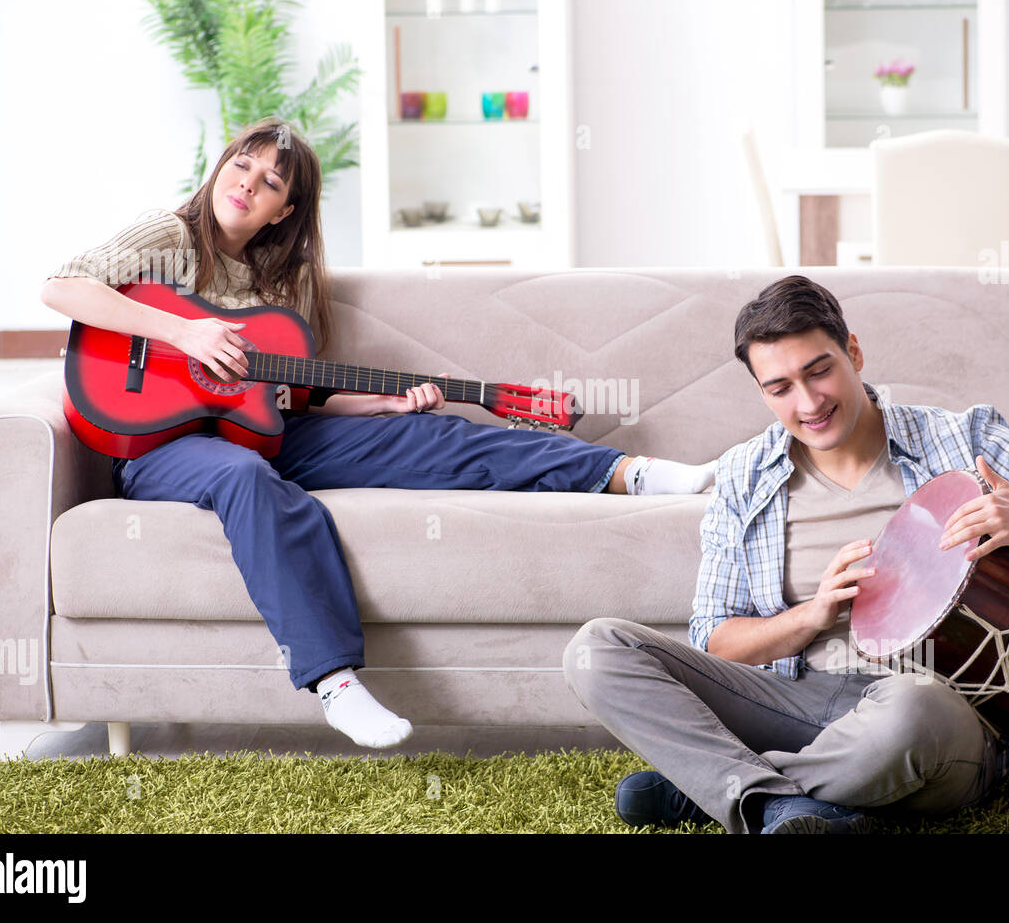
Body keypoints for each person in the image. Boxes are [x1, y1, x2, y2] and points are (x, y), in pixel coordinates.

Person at [41, 116, 715, 750]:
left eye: (271, 181)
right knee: (245, 478)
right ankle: (335, 682)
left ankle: (627, 471)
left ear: (284, 210)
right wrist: (183, 331)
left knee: (440, 436)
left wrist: (378, 407)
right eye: (242, 165)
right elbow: (63, 285)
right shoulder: (170, 234)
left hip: (261, 431)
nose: (247, 182)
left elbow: (285, 399)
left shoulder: (288, 282)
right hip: (161, 446)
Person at [562, 274, 1009, 834]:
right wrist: (813, 615)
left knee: (910, 713)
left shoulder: (962, 437)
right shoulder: (744, 475)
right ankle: (790, 805)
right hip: (800, 700)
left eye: (819, 371)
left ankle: (717, 789)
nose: (808, 402)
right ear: (762, 393)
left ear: (854, 351)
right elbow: (715, 641)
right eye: (780, 388)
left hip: (938, 707)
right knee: (599, 649)